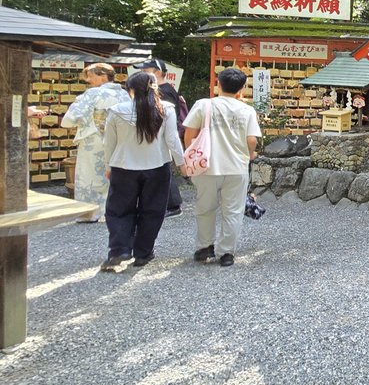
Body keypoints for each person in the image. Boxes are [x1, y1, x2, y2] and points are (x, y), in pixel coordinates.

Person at [101, 71, 184, 271]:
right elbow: (172, 140)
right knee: (153, 211)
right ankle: (143, 252)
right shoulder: (166, 109)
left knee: (118, 210)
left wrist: (107, 165)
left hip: (123, 166)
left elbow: (109, 143)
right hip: (157, 166)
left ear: (129, 89)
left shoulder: (116, 111)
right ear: (155, 88)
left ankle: (119, 249)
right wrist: (182, 163)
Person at [183, 68, 262, 267]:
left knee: (205, 208)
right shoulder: (247, 110)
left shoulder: (203, 105)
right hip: (236, 167)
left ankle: (204, 247)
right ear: (242, 88)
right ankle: (227, 252)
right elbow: (251, 140)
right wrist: (249, 153)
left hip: (206, 166)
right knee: (233, 211)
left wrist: (192, 155)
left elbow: (188, 135)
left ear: (218, 84)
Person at [60, 63, 125, 218]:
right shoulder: (124, 94)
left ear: (103, 76)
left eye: (91, 76)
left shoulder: (92, 94)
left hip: (94, 139)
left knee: (89, 175)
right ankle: (112, 212)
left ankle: (90, 213)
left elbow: (69, 119)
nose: (88, 80)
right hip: (119, 140)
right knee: (114, 174)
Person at [135, 58, 189, 217]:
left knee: (163, 168)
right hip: (158, 133)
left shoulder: (164, 91)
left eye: (145, 71)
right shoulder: (163, 89)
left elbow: (165, 116)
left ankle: (173, 205)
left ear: (157, 72)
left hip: (162, 133)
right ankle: (167, 204)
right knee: (160, 169)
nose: (142, 74)